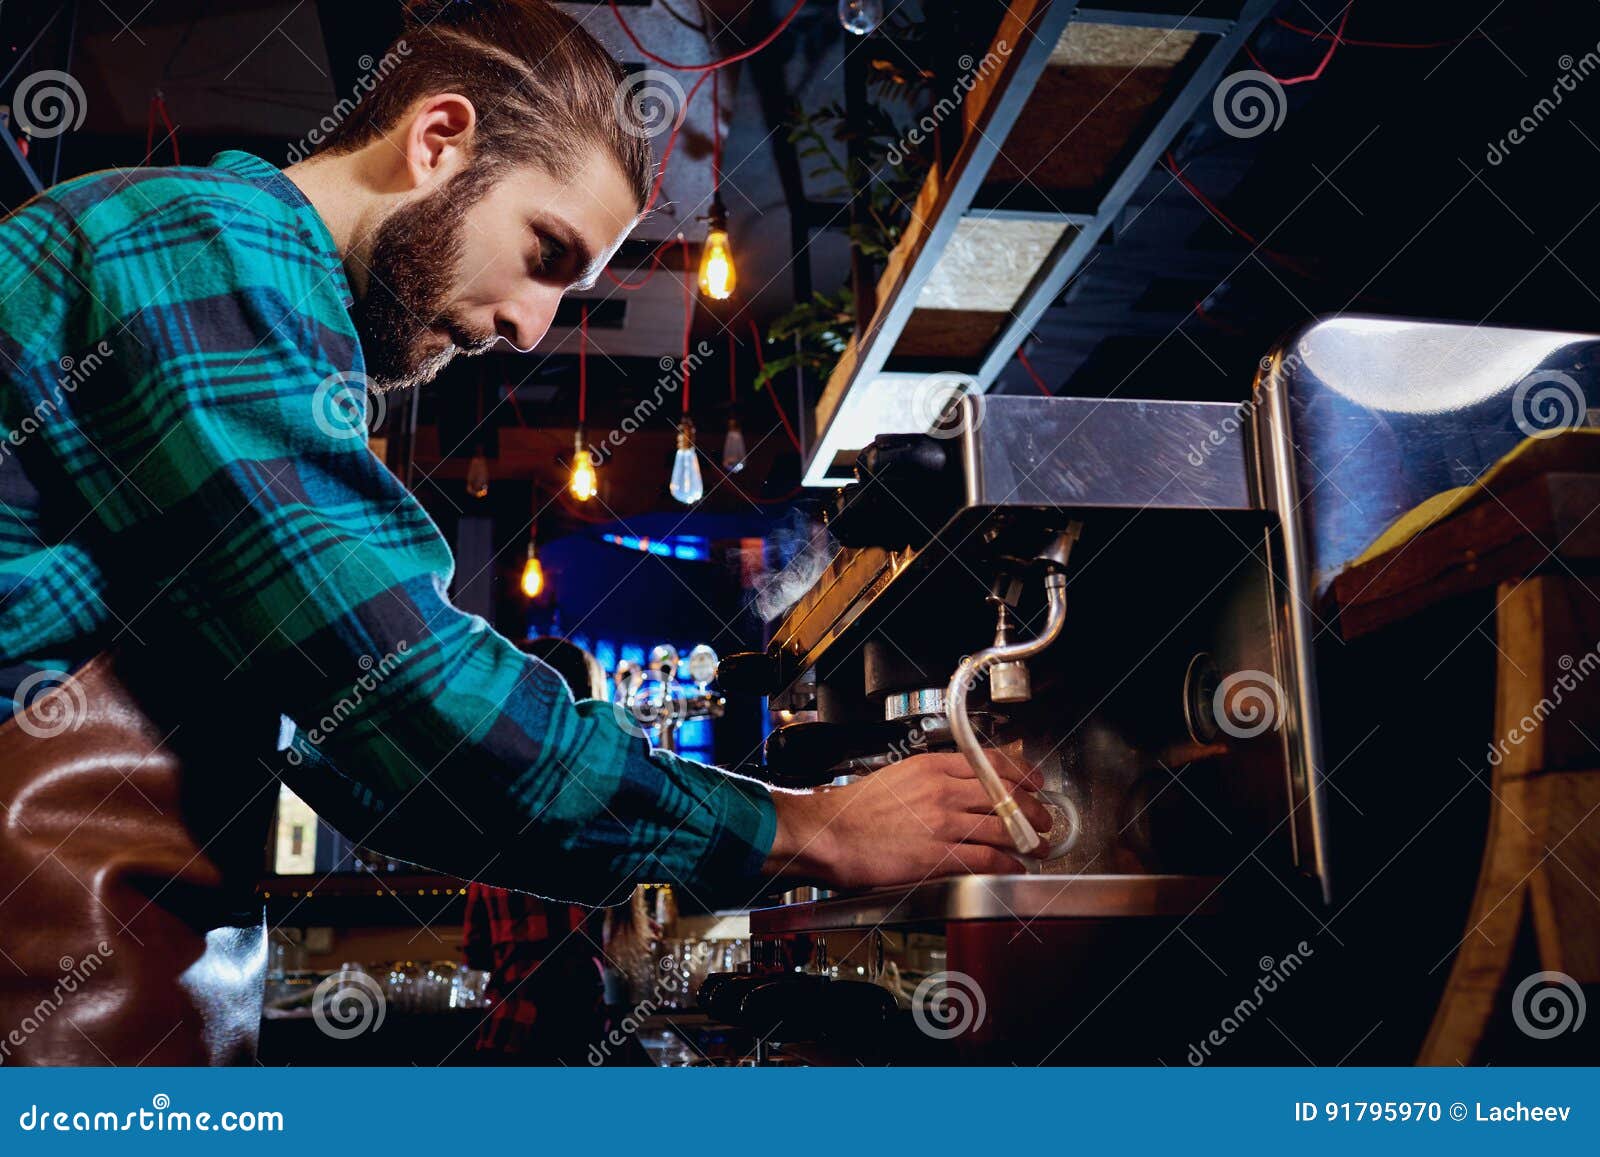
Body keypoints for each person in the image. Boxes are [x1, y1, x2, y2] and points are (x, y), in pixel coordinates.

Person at [0, 0, 1050, 1064]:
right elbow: (410, 685)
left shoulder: (249, 295)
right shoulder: (205, 245)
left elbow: (383, 766)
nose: (529, 329)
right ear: (437, 138)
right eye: (546, 252)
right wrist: (801, 828)